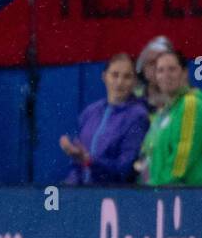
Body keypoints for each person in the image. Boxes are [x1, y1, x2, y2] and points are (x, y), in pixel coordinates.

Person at [60, 52, 150, 185]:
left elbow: (125, 169)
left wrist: (89, 160)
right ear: (104, 77)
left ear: (134, 82)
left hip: (115, 196)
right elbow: (76, 165)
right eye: (115, 75)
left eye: (127, 77)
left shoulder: (138, 115)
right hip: (83, 194)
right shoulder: (90, 112)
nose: (120, 82)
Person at [138, 50, 202, 185]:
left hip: (188, 197)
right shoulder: (163, 113)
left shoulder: (191, 105)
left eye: (172, 69)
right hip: (160, 195)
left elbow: (181, 159)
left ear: (184, 73)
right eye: (160, 70)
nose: (166, 75)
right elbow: (147, 156)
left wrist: (156, 187)